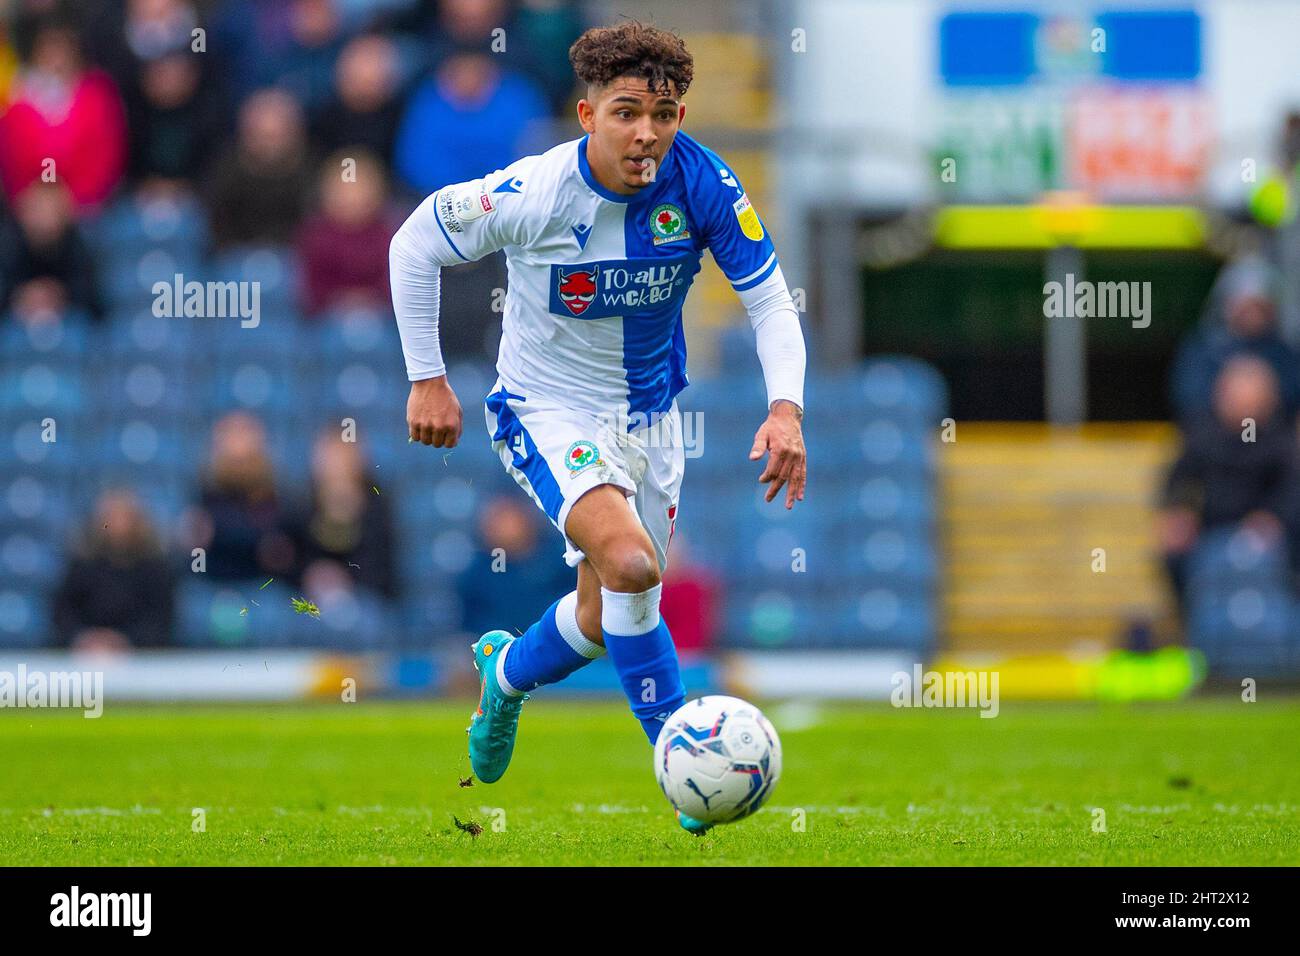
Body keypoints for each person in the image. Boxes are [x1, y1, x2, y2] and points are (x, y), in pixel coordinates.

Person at [389, 21, 807, 834]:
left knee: (604, 610)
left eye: (664, 113)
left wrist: (785, 408)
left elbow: (768, 301)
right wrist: (426, 378)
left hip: (651, 423)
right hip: (545, 410)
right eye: (625, 112)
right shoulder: (535, 192)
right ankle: (685, 763)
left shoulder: (706, 185)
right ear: (587, 114)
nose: (646, 132)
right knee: (631, 562)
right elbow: (414, 244)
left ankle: (505, 673)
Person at [1159, 355, 1295, 614]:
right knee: (1174, 552)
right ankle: (1198, 627)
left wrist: (1273, 518)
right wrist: (1180, 512)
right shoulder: (1202, 436)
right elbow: (1179, 480)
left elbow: (1290, 490)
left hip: (1269, 535)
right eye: (1232, 394)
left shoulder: (1281, 440)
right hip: (1210, 532)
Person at [51, 490, 176, 651]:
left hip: (141, 659)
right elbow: (63, 612)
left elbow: (160, 618)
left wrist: (126, 642)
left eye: (123, 518)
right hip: (85, 656)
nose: (117, 525)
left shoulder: (154, 568)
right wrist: (84, 638)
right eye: (110, 518)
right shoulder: (82, 565)